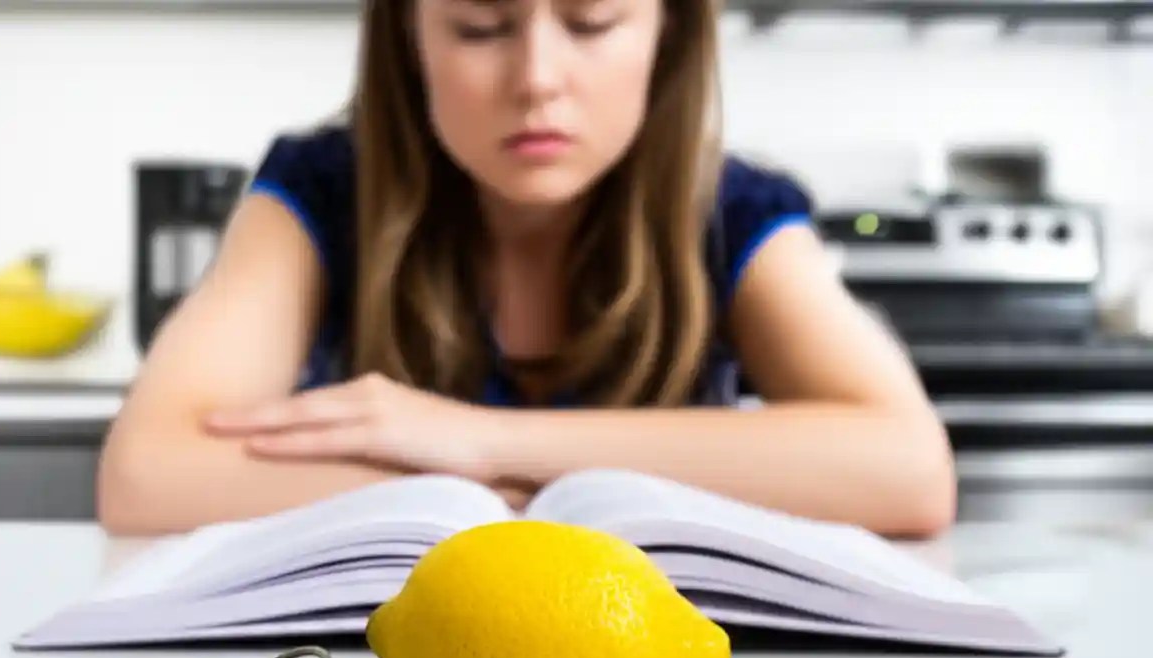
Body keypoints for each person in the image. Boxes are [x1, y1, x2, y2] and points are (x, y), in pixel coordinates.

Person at [97, 0, 956, 538]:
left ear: (669, 32)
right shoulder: (320, 191)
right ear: (409, 35)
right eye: (480, 26)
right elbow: (148, 473)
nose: (538, 79)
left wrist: (477, 441)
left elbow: (908, 470)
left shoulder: (735, 210)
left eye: (591, 24)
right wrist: (535, 489)